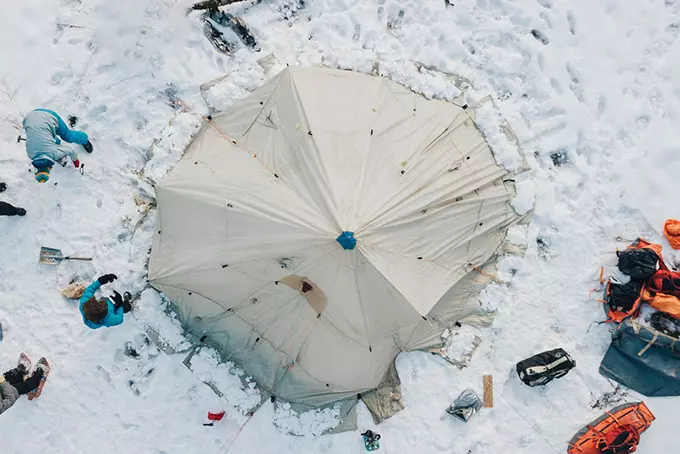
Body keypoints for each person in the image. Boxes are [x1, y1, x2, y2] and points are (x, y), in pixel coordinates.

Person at [22, 108, 94, 183]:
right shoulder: (30, 154)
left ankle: (84, 140)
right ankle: (57, 141)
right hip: (30, 117)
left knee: (67, 136)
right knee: (45, 134)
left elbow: (70, 151)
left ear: (49, 168)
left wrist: (75, 161)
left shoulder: (54, 153)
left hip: (49, 116)